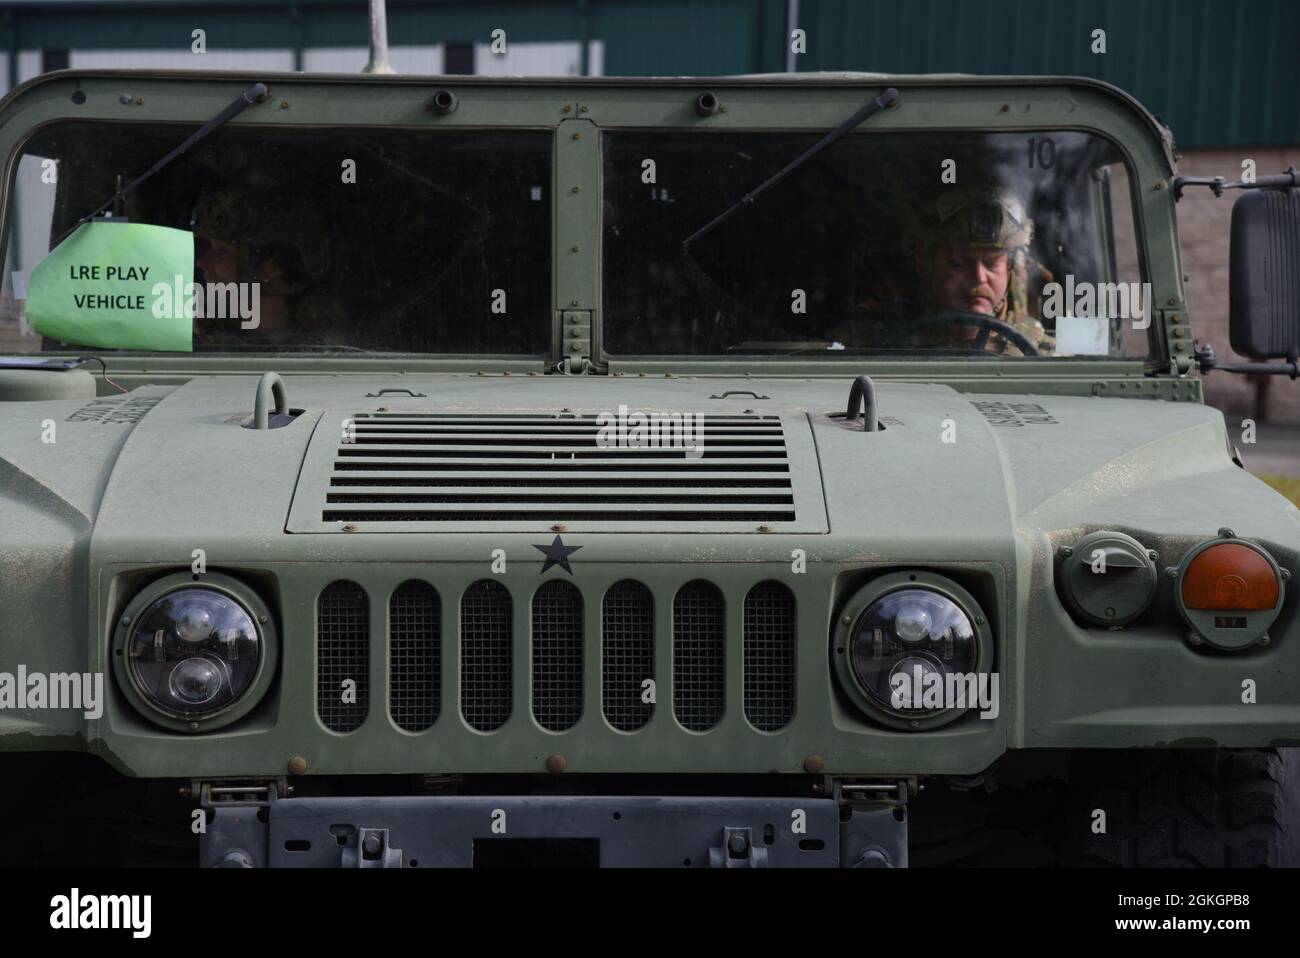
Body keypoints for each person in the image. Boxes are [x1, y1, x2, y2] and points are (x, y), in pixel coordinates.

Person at [190, 187, 347, 346]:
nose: (202, 262)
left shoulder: (329, 352)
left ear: (272, 267)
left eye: (222, 251)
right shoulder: (209, 343)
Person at [913, 186, 1053, 353]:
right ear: (929, 266)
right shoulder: (891, 347)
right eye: (958, 262)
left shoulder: (1042, 353)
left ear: (1010, 268)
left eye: (992, 263)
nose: (979, 277)